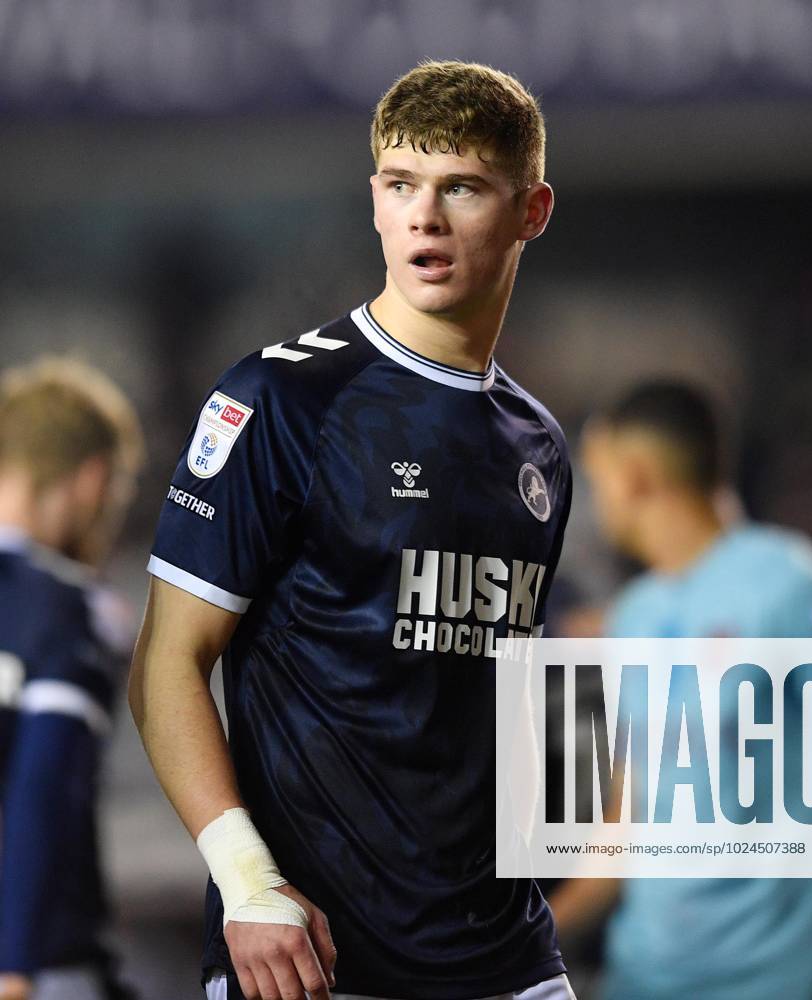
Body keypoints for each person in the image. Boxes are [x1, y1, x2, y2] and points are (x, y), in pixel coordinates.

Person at [129, 60, 576, 1000]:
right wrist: (248, 884)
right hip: (315, 957)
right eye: (403, 185)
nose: (426, 217)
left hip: (508, 956)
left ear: (531, 211)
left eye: (462, 188)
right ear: (376, 200)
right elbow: (165, 665)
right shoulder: (282, 398)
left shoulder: (539, 444)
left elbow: (498, 700)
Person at [549, 380, 812, 1000]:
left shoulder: (801, 586)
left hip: (776, 985)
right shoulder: (635, 616)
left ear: (634, 477)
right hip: (641, 983)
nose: (594, 499)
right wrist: (528, 945)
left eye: (597, 477)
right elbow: (630, 824)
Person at [0, 358, 144, 1000]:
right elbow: (43, 786)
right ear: (92, 480)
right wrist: (16, 966)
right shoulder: (65, 607)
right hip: (41, 961)